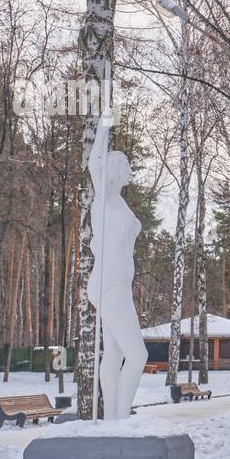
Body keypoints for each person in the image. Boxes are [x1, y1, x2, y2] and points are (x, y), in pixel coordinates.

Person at [88, 114, 147, 420]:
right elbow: (93, 164)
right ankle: (121, 419)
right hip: (108, 284)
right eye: (124, 166)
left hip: (117, 284)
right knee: (138, 355)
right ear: (111, 172)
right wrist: (103, 128)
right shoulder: (105, 199)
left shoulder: (120, 204)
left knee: (114, 356)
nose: (129, 171)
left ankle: (111, 418)